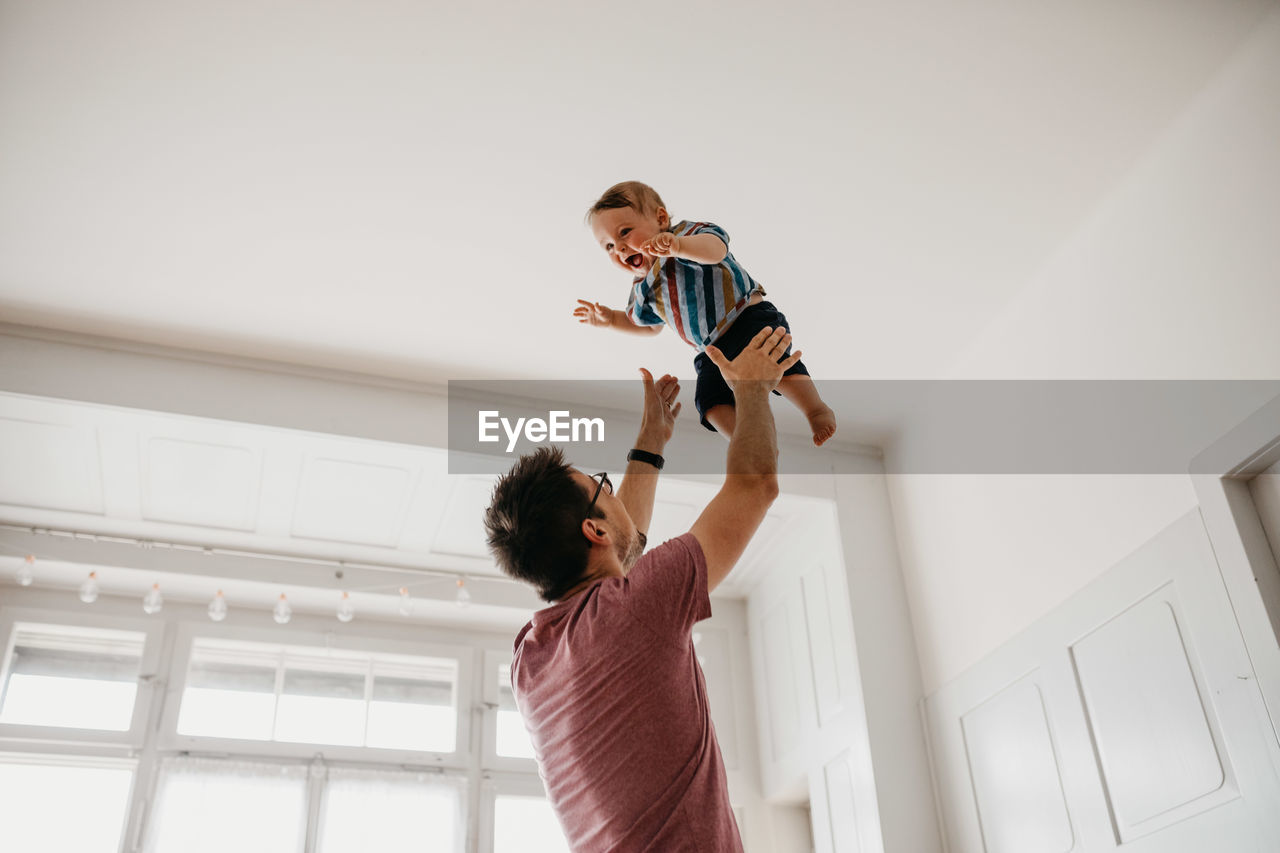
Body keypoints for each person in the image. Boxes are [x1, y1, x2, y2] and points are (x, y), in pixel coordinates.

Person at [484, 326, 799, 852]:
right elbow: (756, 484)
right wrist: (750, 388)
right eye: (601, 488)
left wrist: (650, 444)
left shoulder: (531, 659)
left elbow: (621, 559)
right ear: (594, 529)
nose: (610, 493)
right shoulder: (634, 610)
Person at [574, 179, 837, 446]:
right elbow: (650, 327)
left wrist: (678, 246)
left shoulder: (689, 234)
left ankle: (815, 409)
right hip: (711, 351)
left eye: (624, 232)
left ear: (661, 218)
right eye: (608, 246)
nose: (618, 248)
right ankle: (744, 441)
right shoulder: (642, 290)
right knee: (708, 400)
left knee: (778, 364)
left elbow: (716, 251)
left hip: (746, 318)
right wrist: (610, 320)